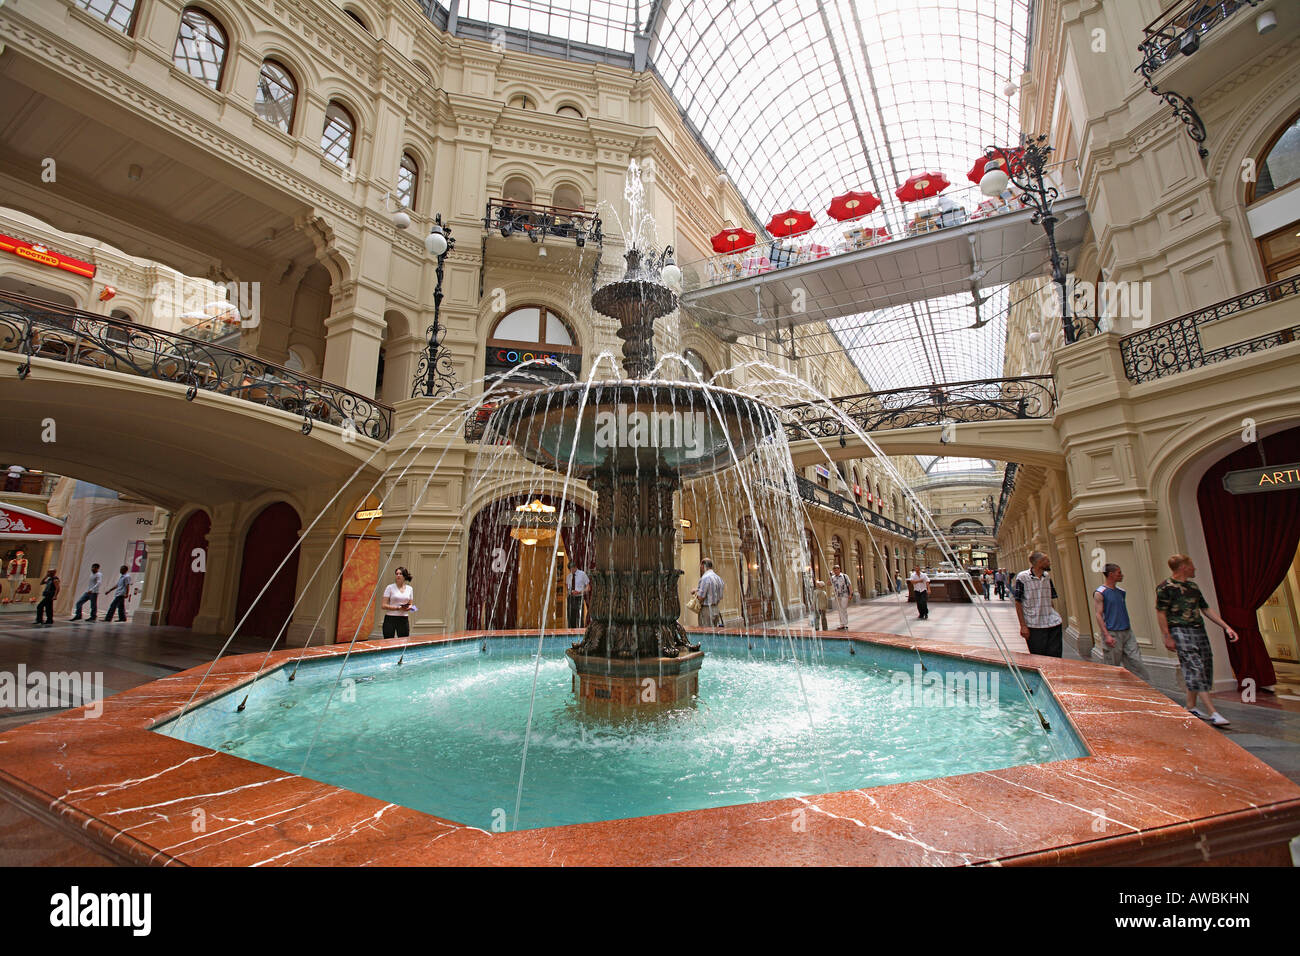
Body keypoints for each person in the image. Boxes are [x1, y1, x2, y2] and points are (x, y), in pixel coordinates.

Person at [1156, 554, 1238, 727]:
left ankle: (1191, 706)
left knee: (1205, 666)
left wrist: (1226, 626)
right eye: (1191, 565)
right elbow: (1161, 612)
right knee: (1195, 668)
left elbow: (1205, 609)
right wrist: (1167, 636)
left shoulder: (1193, 586)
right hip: (1180, 631)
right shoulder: (1165, 587)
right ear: (1183, 567)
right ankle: (1212, 712)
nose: (1195, 568)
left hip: (1198, 630)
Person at [1093, 563, 1152, 683]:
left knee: (1136, 661)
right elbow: (1099, 614)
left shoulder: (1121, 591)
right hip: (1112, 632)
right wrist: (1107, 635)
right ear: (1111, 574)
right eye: (1119, 573)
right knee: (1112, 665)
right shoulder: (1100, 592)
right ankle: (1112, 688)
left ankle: (1142, 686)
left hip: (1126, 631)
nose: (1121, 575)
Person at [1014, 551, 1063, 657]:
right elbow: (1018, 602)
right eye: (1047, 560)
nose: (1049, 562)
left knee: (1056, 656)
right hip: (1034, 625)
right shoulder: (1022, 577)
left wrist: (1053, 612)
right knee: (1038, 657)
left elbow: (1050, 598)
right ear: (1039, 562)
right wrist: (1023, 626)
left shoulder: (1047, 576)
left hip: (1053, 623)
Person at [380, 566, 415, 639]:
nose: (398, 575)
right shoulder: (390, 587)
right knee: (388, 641)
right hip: (390, 618)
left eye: (400, 574)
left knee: (404, 641)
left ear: (405, 576)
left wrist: (410, 608)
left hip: (403, 618)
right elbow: (383, 605)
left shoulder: (410, 589)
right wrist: (398, 608)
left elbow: (411, 604)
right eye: (396, 574)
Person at [691, 558, 725, 628]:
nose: (700, 568)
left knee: (705, 633)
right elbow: (720, 596)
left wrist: (695, 593)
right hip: (716, 609)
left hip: (706, 610)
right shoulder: (718, 578)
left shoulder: (705, 578)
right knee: (714, 633)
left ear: (703, 566)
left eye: (700, 566)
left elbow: (701, 597)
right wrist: (698, 590)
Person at [829, 564, 852, 630]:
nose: (836, 571)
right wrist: (830, 576)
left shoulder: (844, 576)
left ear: (839, 569)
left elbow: (849, 585)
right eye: (834, 570)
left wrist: (851, 593)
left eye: (837, 569)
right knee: (839, 609)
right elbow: (829, 584)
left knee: (843, 609)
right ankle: (842, 624)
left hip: (845, 595)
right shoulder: (833, 577)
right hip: (837, 595)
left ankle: (845, 624)